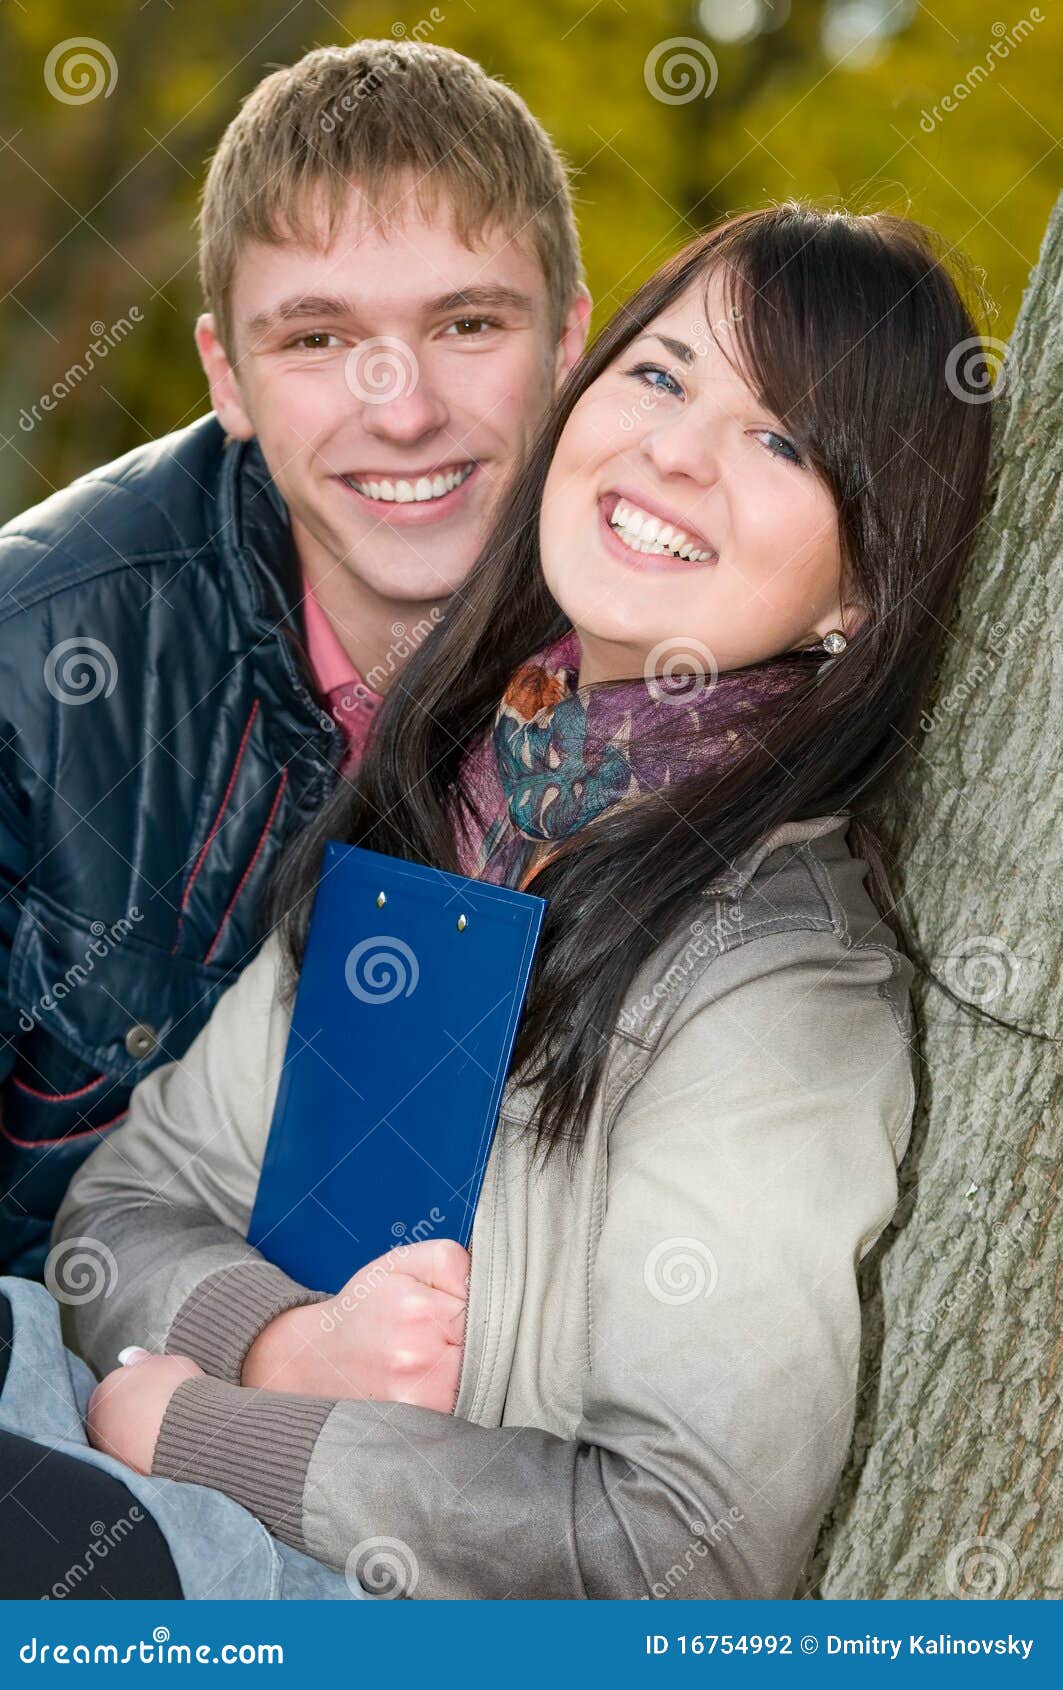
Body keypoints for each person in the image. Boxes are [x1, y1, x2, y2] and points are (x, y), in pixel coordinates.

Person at [50, 204, 992, 1600]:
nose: (675, 449)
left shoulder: (777, 985)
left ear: (860, 588)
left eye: (782, 437)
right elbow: (119, 1207)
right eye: (661, 375)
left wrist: (209, 1426)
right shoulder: (464, 803)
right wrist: (280, 1343)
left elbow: (682, 1548)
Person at [0, 36, 588, 1599]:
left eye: (468, 323)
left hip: (453, 1470)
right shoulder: (37, 669)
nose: (401, 409)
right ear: (225, 376)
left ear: (574, 343)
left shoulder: (684, 656)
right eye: (319, 337)